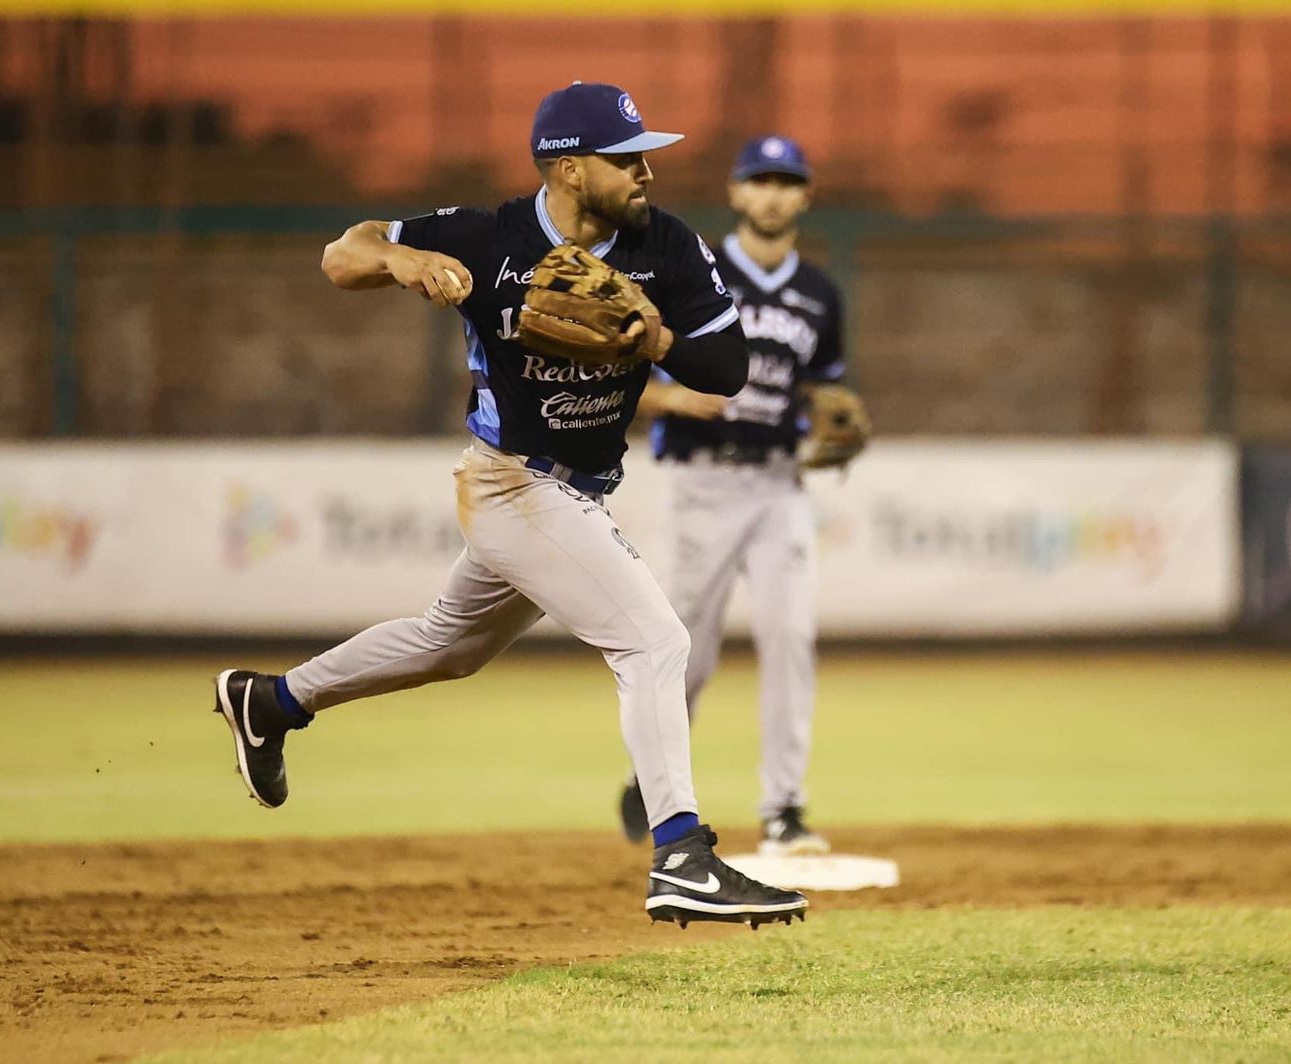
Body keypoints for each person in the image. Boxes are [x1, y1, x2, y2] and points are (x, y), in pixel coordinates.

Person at [211, 83, 805, 928]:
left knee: (446, 646)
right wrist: (397, 256)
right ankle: (682, 855)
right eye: (626, 156)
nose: (645, 170)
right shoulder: (489, 238)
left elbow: (730, 366)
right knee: (654, 639)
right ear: (568, 168)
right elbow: (343, 253)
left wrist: (656, 340)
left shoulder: (663, 242)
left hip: (577, 490)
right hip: (512, 483)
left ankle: (270, 702)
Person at [620, 135, 847, 857]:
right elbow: (619, 360)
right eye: (761, 180)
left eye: (788, 181)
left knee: (791, 639)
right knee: (689, 654)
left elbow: (825, 392)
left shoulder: (820, 293)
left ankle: (784, 807)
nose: (774, 194)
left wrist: (840, 417)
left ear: (805, 195)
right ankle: (652, 782)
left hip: (780, 483)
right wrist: (668, 398)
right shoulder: (693, 270)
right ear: (737, 193)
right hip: (704, 481)